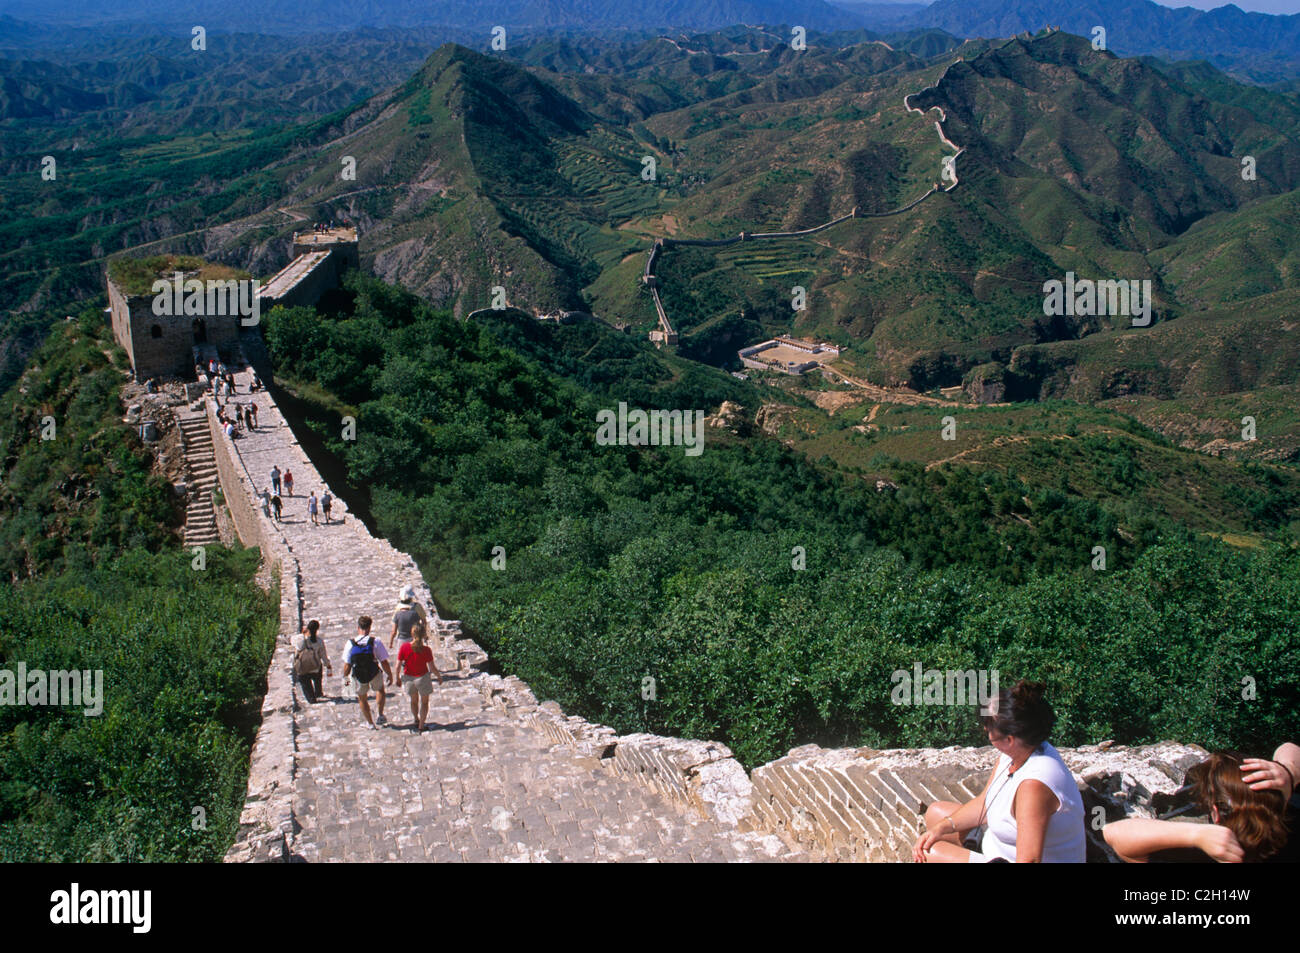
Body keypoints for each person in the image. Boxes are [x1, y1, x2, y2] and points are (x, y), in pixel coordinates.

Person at [913, 680, 1086, 863]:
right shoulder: (1019, 751)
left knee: (929, 852)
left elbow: (1029, 860)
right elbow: (984, 803)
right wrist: (943, 827)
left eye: (988, 728)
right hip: (999, 848)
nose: (986, 731)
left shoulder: (1034, 785)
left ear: (1009, 739)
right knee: (935, 814)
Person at [1103, 743, 1300, 863]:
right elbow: (1290, 748)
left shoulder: (1195, 854)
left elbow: (1114, 834)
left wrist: (1195, 834)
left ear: (1214, 812)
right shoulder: (1287, 821)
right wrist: (1290, 772)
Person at [342, 616, 392, 728]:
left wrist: (345, 679)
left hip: (358, 675)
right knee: (380, 690)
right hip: (374, 672)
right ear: (369, 628)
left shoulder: (350, 644)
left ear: (358, 627)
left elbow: (347, 665)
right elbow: (384, 661)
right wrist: (390, 674)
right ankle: (380, 714)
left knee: (362, 698)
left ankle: (370, 723)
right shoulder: (375, 642)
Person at [396, 626, 443, 732]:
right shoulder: (426, 650)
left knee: (413, 701)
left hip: (409, 678)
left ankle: (416, 719)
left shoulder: (404, 647)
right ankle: (421, 725)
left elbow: (398, 665)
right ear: (423, 635)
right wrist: (439, 677)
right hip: (422, 678)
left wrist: (397, 678)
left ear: (412, 634)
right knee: (425, 702)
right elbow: (432, 667)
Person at [293, 620, 333, 703]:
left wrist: (302, 633)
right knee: (317, 678)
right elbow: (323, 656)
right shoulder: (318, 641)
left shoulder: (300, 639)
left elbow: (292, 641)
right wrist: (328, 665)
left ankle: (311, 699)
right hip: (315, 666)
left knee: (305, 683)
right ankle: (318, 692)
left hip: (302, 667)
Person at [389, 584, 430, 652]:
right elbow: (424, 622)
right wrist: (424, 635)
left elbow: (394, 631)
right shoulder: (417, 607)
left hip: (402, 640)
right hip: (416, 638)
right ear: (411, 597)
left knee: (402, 659)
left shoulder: (398, 608)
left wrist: (391, 642)